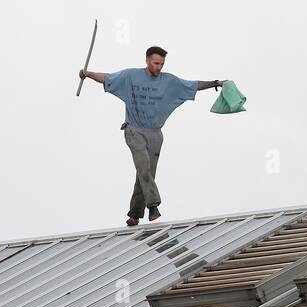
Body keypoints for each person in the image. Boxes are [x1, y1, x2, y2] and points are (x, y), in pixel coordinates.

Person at [81, 46, 227, 226]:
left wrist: (216, 83)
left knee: (146, 173)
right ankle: (153, 206)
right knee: (143, 166)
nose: (159, 67)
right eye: (156, 63)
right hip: (134, 130)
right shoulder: (130, 76)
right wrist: (88, 74)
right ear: (147, 60)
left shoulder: (169, 81)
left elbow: (193, 85)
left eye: (162, 64)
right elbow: (108, 78)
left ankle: (134, 214)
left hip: (155, 133)